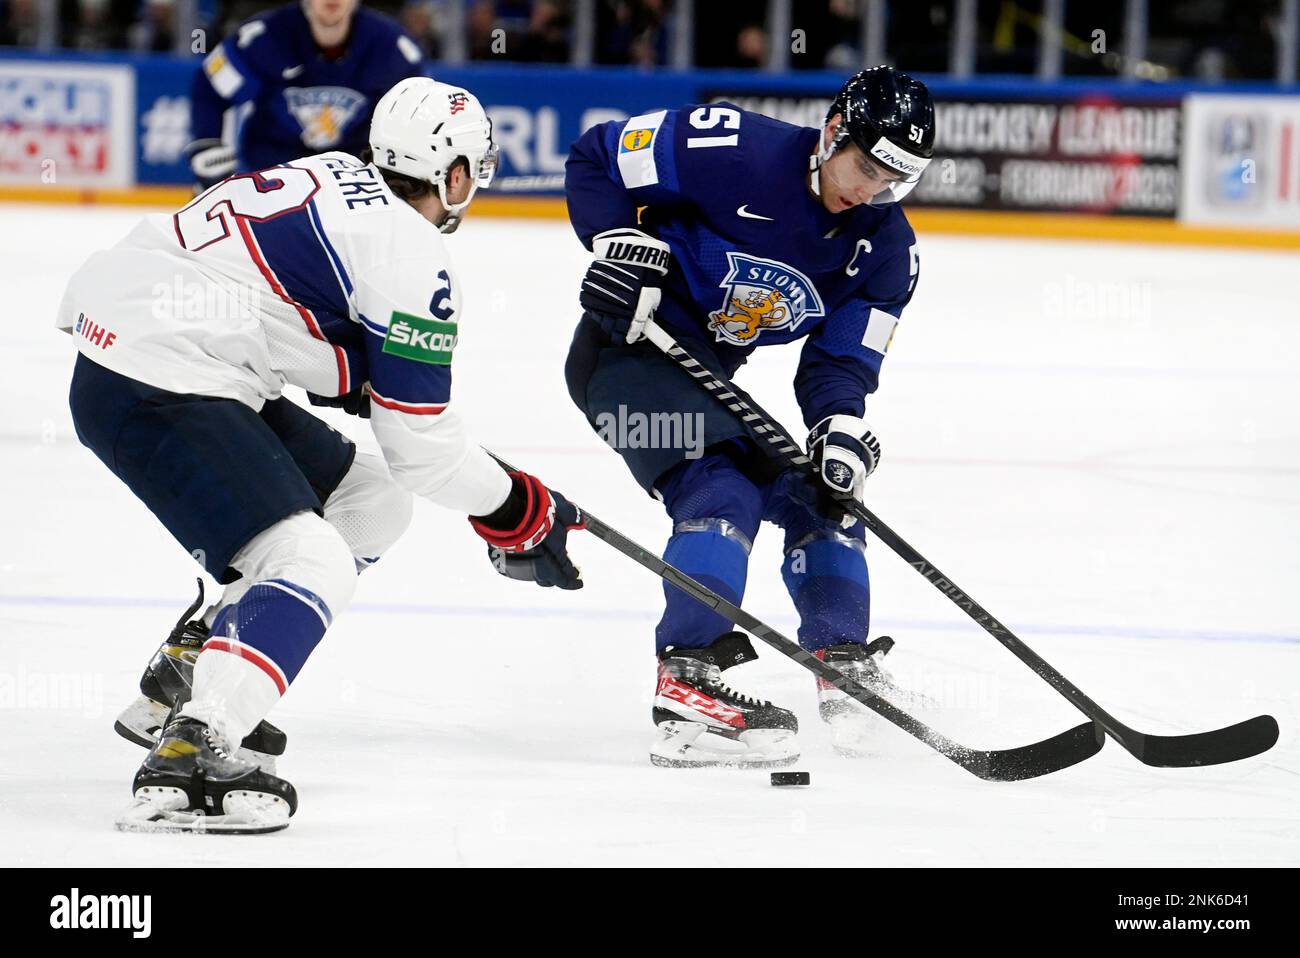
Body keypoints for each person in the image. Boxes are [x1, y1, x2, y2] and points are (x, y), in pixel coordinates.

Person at [59, 77, 584, 833]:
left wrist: (361, 375)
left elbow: (276, 310)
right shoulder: (413, 255)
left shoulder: (331, 175)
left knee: (370, 501)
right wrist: (516, 508)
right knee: (314, 561)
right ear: (456, 175)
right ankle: (194, 750)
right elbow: (424, 450)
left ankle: (193, 660)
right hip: (166, 374)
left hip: (150, 350)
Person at [563, 66, 933, 767]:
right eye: (864, 166)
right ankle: (686, 681)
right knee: (720, 488)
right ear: (833, 132)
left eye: (892, 179)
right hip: (623, 363)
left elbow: (841, 361)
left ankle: (842, 661)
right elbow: (595, 155)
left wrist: (838, 429)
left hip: (705, 381)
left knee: (822, 497)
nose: (871, 190)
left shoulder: (885, 248)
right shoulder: (728, 146)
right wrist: (615, 243)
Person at [188, 0, 426, 192]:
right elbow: (210, 87)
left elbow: (414, 114)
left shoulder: (391, 47)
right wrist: (207, 143)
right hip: (271, 175)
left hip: (354, 180)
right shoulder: (265, 38)